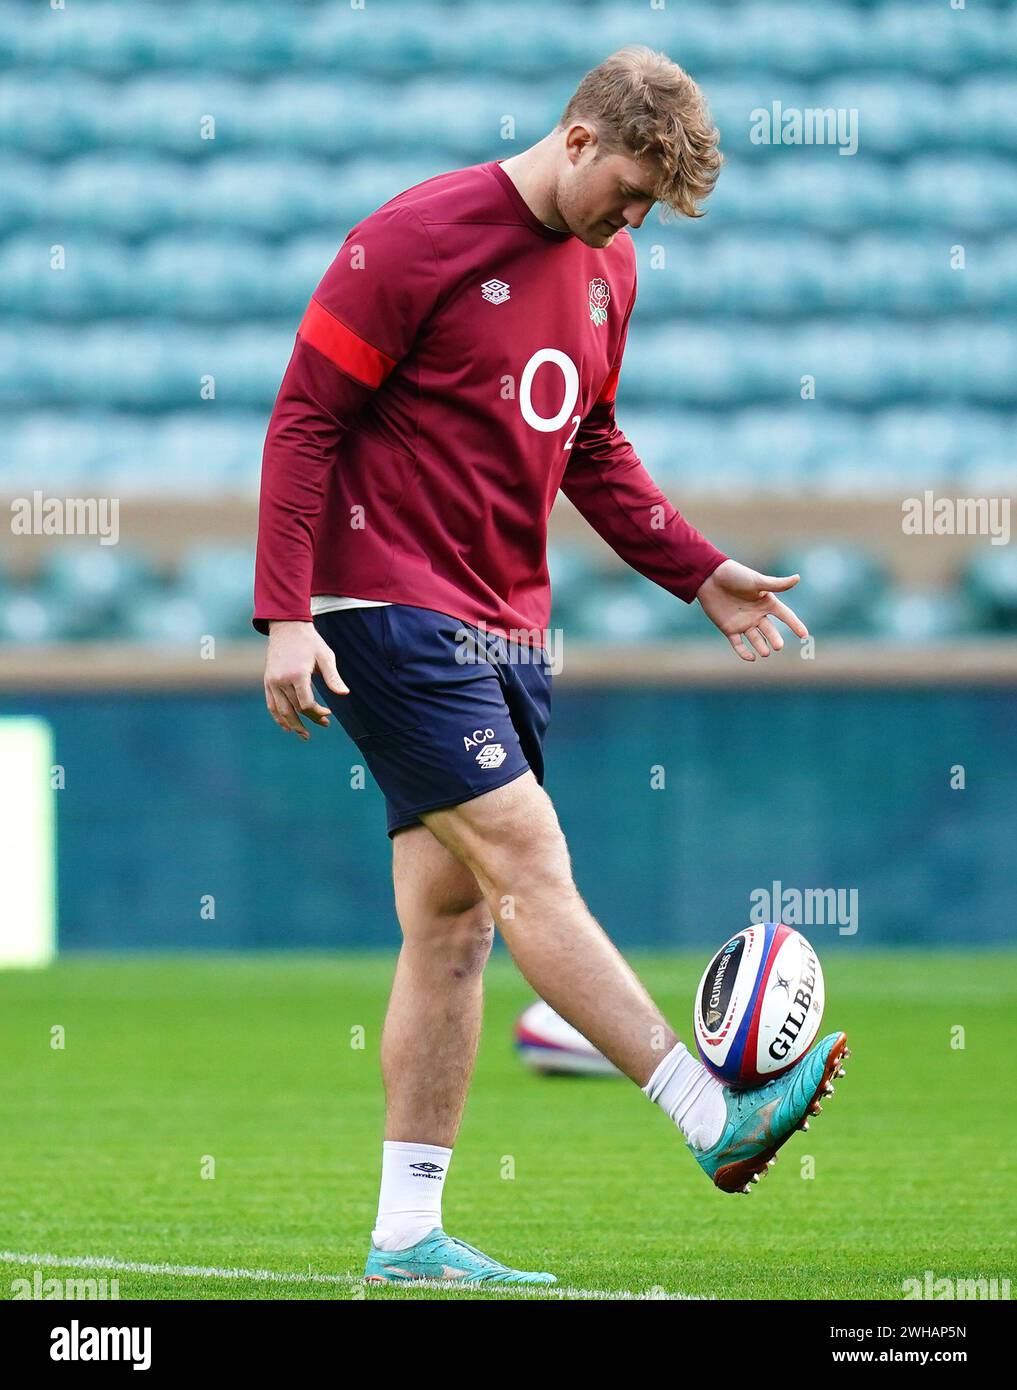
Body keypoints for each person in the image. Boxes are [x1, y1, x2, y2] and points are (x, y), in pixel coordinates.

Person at [253, 45, 848, 1288]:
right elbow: (307, 415)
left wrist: (698, 569)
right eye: (626, 190)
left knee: (453, 927)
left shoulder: (608, 268)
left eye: (647, 213)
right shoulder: (412, 239)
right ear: (578, 139)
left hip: (507, 626)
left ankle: (407, 1237)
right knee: (531, 861)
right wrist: (286, 611)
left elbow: (590, 443)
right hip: (391, 608)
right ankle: (711, 1112)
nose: (630, 222)